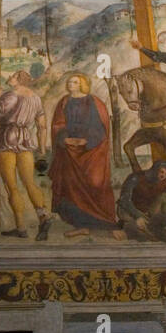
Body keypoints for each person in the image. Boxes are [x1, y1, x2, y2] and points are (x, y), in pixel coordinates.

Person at [48, 73, 118, 236]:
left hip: (92, 152)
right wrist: (65, 139)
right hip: (69, 152)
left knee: (95, 184)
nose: (70, 84)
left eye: (74, 82)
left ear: (82, 84)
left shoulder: (94, 101)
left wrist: (86, 141)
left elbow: (101, 126)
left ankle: (106, 223)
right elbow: (58, 124)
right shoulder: (64, 102)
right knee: (71, 188)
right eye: (69, 82)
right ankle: (81, 225)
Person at [0, 70, 50, 239]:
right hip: (25, 139)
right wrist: (42, 150)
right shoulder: (35, 98)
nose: (9, 77)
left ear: (18, 80)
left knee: (12, 186)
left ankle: (21, 227)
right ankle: (43, 216)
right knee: (30, 183)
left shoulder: (9, 96)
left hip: (7, 137)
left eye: (12, 76)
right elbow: (42, 126)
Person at [116, 162, 166, 241]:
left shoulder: (164, 184)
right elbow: (124, 200)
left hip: (146, 212)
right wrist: (137, 215)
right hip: (127, 209)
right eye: (161, 172)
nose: (163, 176)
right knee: (143, 231)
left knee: (165, 196)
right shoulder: (136, 177)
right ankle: (130, 226)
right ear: (155, 170)